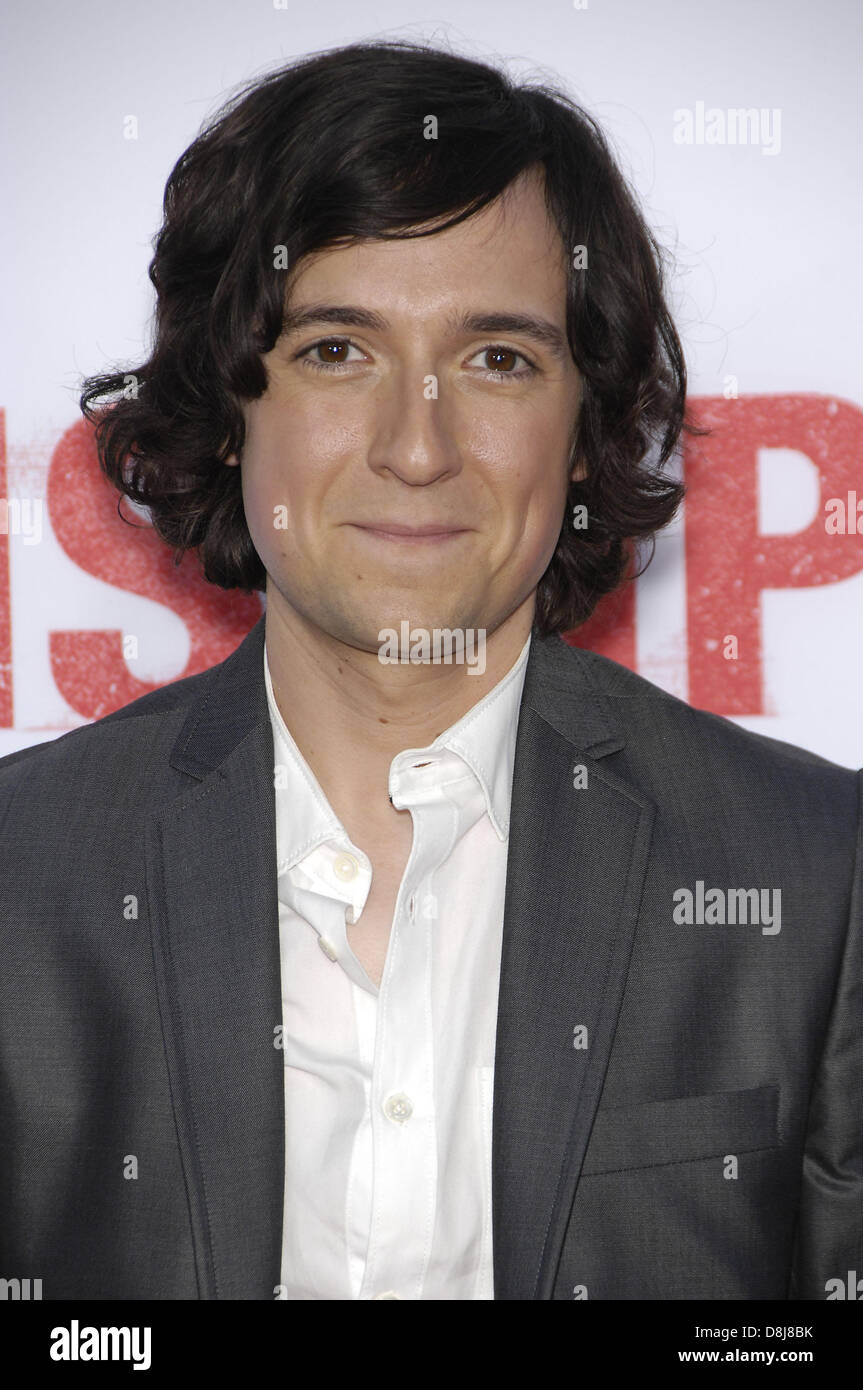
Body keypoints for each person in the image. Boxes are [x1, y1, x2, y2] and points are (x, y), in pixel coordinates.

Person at [0, 38, 860, 1302]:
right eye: (336, 350)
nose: (417, 445)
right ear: (228, 403)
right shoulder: (25, 875)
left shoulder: (814, 870)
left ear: (583, 432)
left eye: (497, 359)